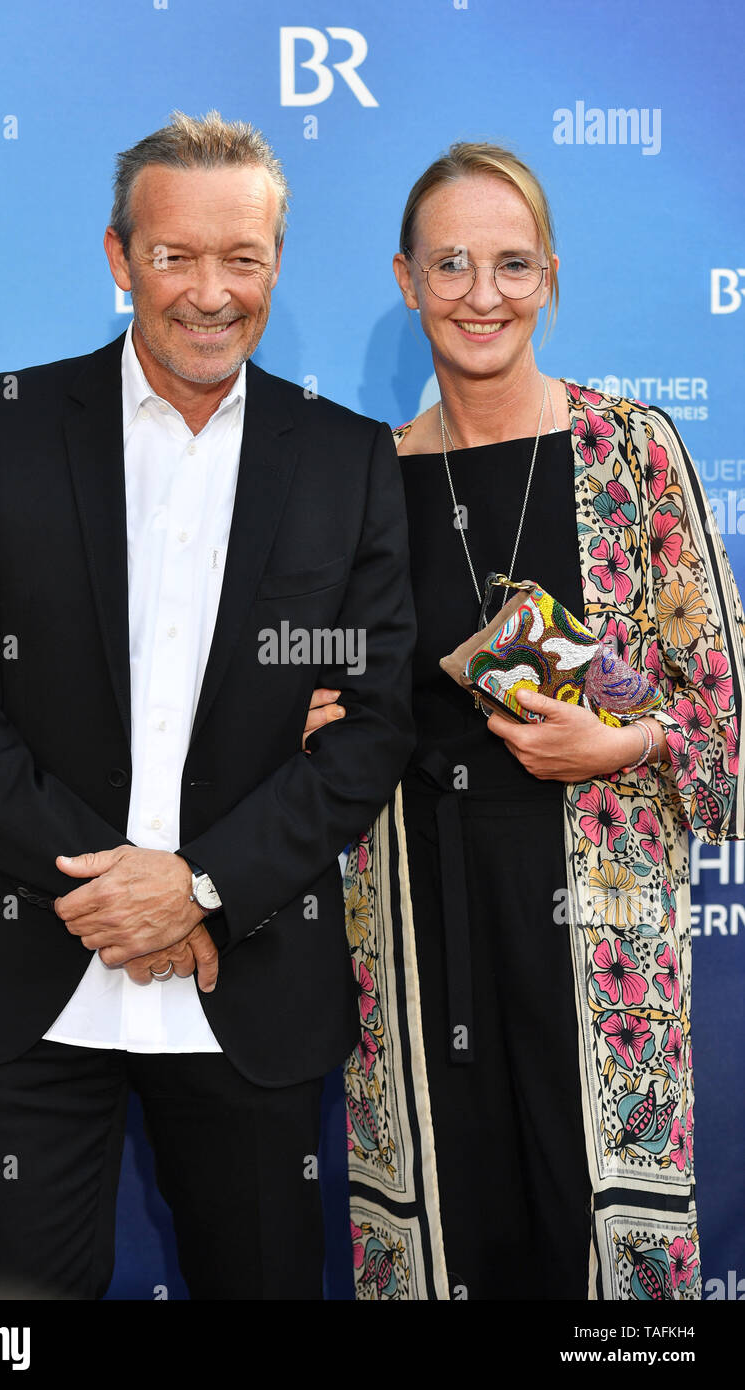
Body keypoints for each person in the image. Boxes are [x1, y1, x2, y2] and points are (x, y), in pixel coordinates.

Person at [0, 111, 415, 1301]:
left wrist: (203, 884)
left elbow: (373, 717)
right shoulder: (3, 427)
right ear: (120, 257)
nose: (210, 293)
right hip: (27, 973)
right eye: (175, 256)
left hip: (249, 983)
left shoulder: (344, 459)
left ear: (276, 262)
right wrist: (118, 887)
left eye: (242, 258)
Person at [313, 142, 745, 1300]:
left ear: (548, 275)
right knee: (446, 1233)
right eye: (448, 264)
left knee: (594, 1237)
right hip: (412, 938)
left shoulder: (635, 451)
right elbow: (326, 699)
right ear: (404, 281)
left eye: (510, 264)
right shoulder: (361, 479)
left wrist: (625, 742)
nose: (480, 294)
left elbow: (722, 715)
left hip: (596, 944)